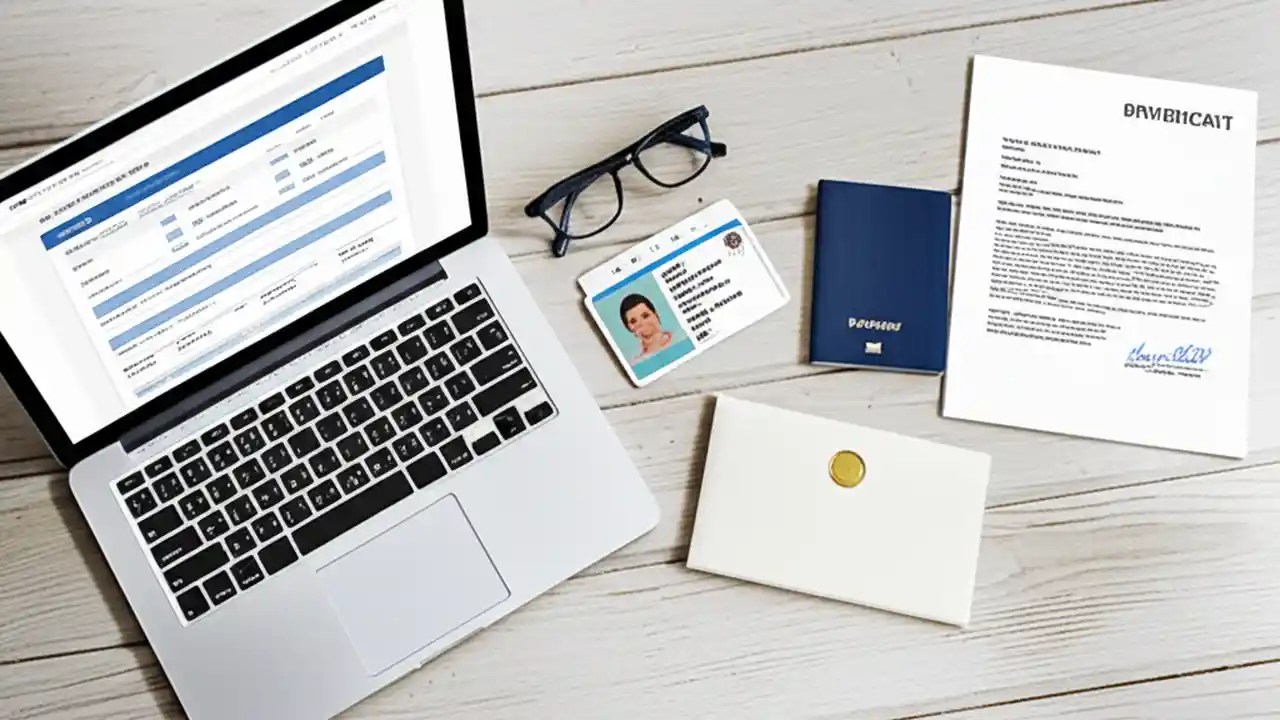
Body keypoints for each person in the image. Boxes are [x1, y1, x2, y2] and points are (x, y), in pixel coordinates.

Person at [619, 293, 673, 364]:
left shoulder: (680, 338)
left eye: (645, 316)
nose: (641, 323)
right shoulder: (636, 362)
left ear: (656, 315)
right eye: (633, 321)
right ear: (629, 328)